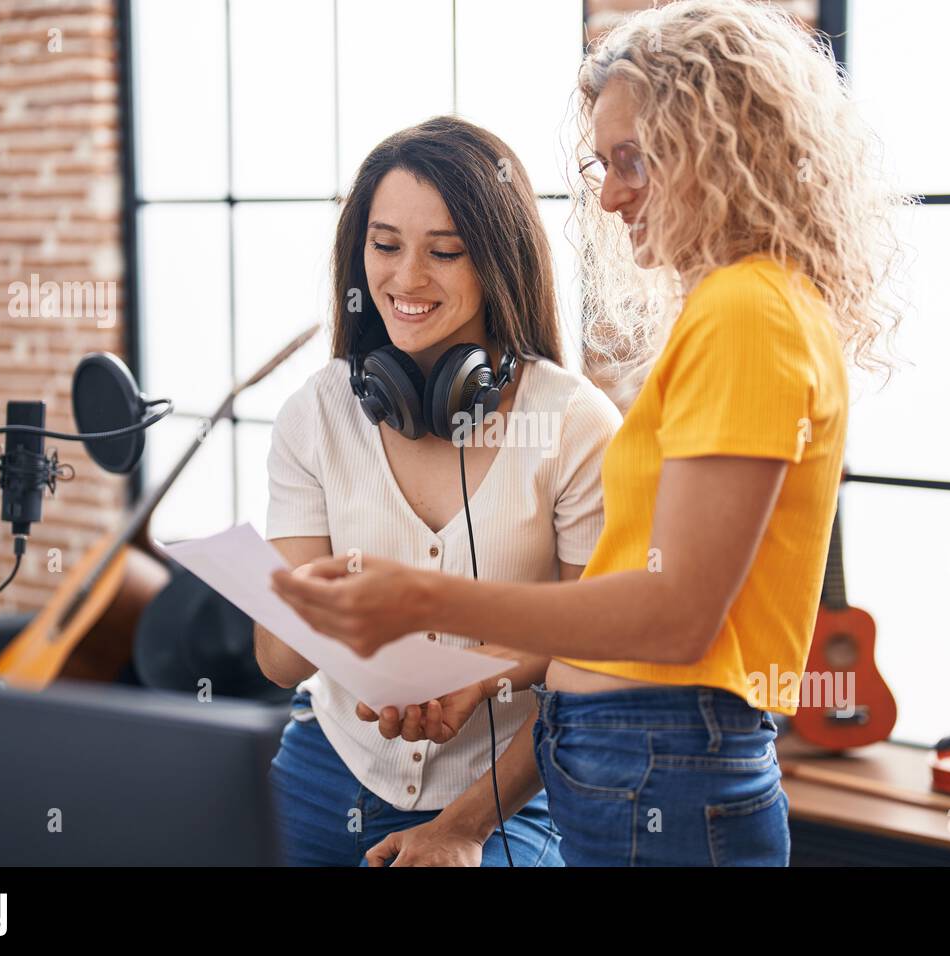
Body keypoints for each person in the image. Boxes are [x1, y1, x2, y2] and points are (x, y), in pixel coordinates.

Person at [270, 0, 905, 866]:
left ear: (720, 146)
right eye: (603, 164)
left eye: (633, 161)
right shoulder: (732, 307)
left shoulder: (748, 312)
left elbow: (677, 613)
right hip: (630, 764)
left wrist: (425, 602)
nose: (609, 195)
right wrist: (488, 675)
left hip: (663, 767)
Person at [255, 116, 622, 866]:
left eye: (445, 252)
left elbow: (594, 647)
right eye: (385, 245)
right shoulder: (315, 412)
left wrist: (466, 822)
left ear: (498, 262)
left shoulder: (574, 422)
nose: (406, 279)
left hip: (510, 789)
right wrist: (304, 618)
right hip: (328, 769)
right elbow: (280, 663)